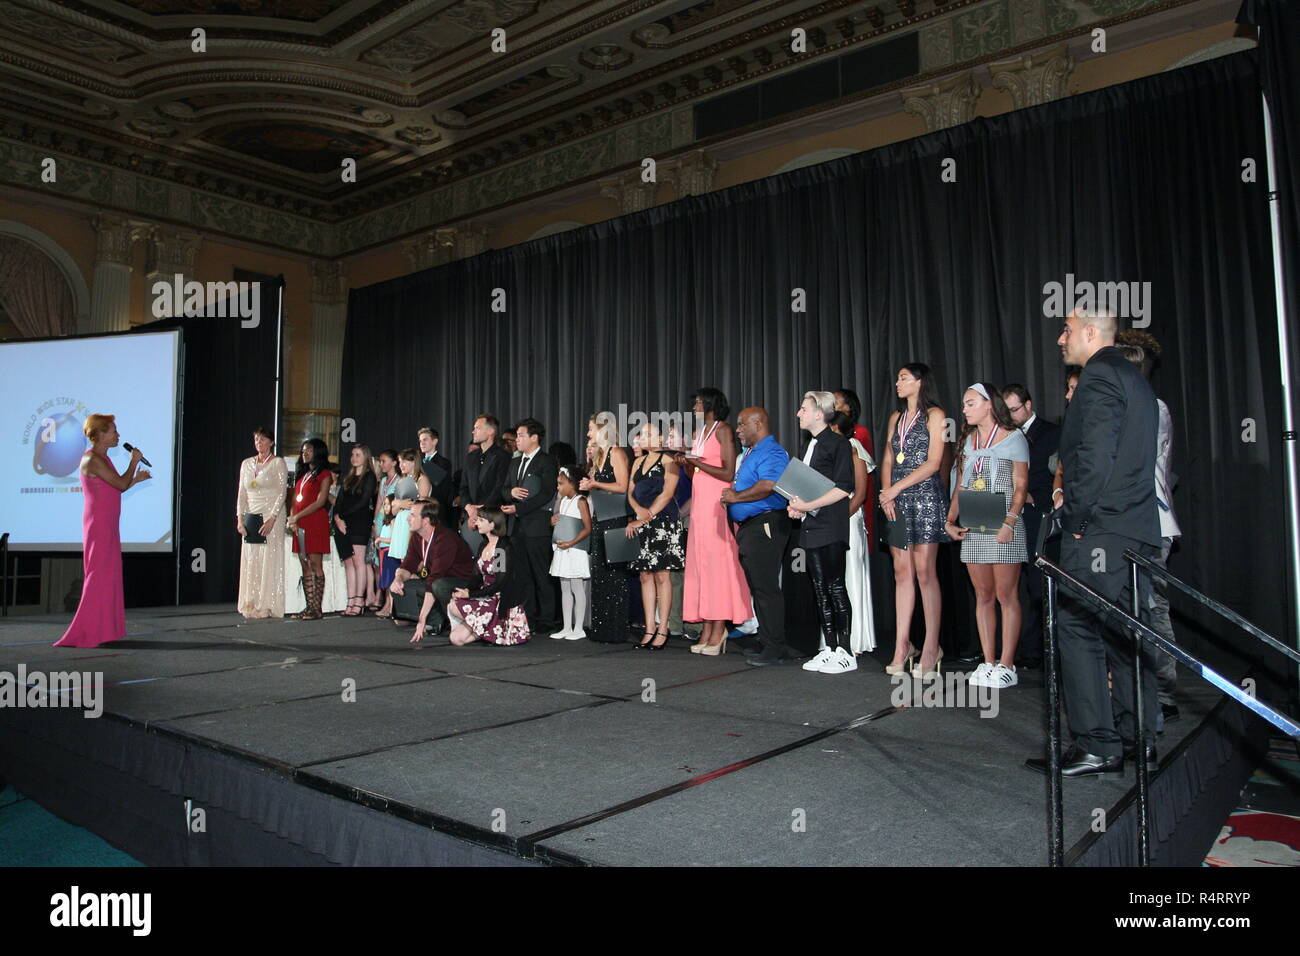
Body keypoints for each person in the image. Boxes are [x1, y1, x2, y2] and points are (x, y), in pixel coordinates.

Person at [1025, 308, 1162, 778]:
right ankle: (1138, 739)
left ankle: (1097, 745)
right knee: (1127, 633)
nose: (1060, 340)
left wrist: (1078, 517)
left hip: (1101, 527)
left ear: (1089, 332)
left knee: (1077, 625)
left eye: (1066, 330)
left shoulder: (1099, 375)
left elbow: (1094, 456)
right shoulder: (1135, 378)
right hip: (1135, 526)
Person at [1116, 334, 1183, 726]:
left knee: (1152, 608)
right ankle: (1130, 692)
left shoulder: (1153, 408)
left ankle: (1162, 693)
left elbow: (1130, 458)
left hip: (1150, 524)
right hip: (1122, 523)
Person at [944, 384, 1029, 689]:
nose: (964, 409)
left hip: (1004, 519)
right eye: (964, 404)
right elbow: (962, 485)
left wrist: (1010, 521)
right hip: (975, 517)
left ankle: (1007, 664)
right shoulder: (969, 441)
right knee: (982, 595)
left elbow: (1021, 485)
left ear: (988, 405)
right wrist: (949, 520)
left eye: (970, 404)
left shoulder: (1014, 437)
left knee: (1006, 595)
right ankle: (989, 661)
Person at [53, 414, 150, 648]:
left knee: (107, 575)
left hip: (107, 523)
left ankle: (103, 629)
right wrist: (134, 462)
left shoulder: (103, 459)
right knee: (98, 575)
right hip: (98, 525)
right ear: (100, 434)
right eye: (113, 431)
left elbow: (116, 487)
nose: (118, 435)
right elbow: (119, 484)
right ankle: (86, 631)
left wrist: (134, 480)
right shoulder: (92, 459)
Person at [879, 363, 949, 677]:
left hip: (925, 497)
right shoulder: (896, 417)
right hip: (896, 500)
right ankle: (902, 645)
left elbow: (934, 462)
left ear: (920, 382)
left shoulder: (936, 415)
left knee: (924, 572)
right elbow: (888, 458)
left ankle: (932, 646)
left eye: (904, 378)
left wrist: (895, 489)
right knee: (901, 571)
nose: (898, 382)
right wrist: (886, 493)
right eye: (898, 378)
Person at [720, 406, 795, 666]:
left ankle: (775, 648)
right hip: (752, 527)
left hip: (766, 524)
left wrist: (736, 496)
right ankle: (767, 641)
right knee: (759, 587)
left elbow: (769, 485)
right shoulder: (752, 452)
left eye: (742, 424)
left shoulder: (772, 451)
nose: (737, 430)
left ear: (758, 424)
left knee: (766, 588)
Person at [679, 388, 751, 654]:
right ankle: (708, 628)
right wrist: (686, 463)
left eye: (699, 402)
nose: (695, 407)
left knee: (717, 567)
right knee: (702, 566)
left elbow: (728, 472)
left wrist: (697, 462)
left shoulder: (723, 430)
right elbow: (695, 472)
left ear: (711, 404)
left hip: (716, 504)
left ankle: (719, 629)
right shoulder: (699, 432)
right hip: (700, 505)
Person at [789, 392, 856, 674]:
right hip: (812, 525)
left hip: (831, 524)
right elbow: (806, 485)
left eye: (803, 409)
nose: (798, 413)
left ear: (819, 414)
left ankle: (846, 650)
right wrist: (797, 507)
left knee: (835, 585)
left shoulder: (838, 443)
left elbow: (844, 487)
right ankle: (829, 647)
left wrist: (807, 506)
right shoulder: (810, 445)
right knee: (819, 587)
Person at [1002, 384, 1060, 669]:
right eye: (1006, 411)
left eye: (1014, 410)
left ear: (1028, 405)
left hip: (1039, 514)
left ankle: (1045, 650)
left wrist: (1036, 496)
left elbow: (1059, 475)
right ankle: (1020, 650)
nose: (1011, 416)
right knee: (1010, 585)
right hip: (1010, 515)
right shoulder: (1004, 435)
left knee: (1039, 586)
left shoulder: (1052, 433)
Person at [626, 423, 685, 650]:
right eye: (642, 434)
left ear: (661, 439)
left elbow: (667, 493)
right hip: (642, 520)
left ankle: (663, 628)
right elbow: (630, 492)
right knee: (644, 575)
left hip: (663, 522)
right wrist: (638, 511)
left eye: (649, 434)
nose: (643, 437)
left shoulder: (669, 460)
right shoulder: (638, 462)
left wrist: (647, 515)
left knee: (662, 575)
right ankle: (649, 627)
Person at [391, 498, 476, 643]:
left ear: (426, 520)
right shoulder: (417, 537)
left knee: (438, 586)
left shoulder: (445, 539)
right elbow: (407, 565)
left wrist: (421, 619)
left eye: (412, 515)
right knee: (403, 586)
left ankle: (454, 618)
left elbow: (434, 579)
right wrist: (398, 579)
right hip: (439, 581)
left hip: (463, 583)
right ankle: (437, 621)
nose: (408, 518)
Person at [501, 418, 559, 630]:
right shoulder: (515, 462)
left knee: (541, 574)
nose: (517, 439)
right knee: (523, 575)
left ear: (534, 438)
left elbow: (547, 493)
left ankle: (547, 620)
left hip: (537, 526)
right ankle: (529, 617)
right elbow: (504, 489)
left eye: (521, 435)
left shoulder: (546, 461)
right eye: (517, 435)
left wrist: (520, 508)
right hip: (516, 527)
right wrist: (511, 493)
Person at [579, 412, 632, 643]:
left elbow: (622, 486)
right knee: (600, 574)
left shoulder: (616, 452)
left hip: (616, 518)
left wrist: (595, 483)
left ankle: (616, 629)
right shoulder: (599, 456)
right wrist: (590, 482)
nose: (588, 433)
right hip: (600, 517)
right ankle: (602, 627)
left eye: (591, 429)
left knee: (615, 576)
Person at [829, 410, 877, 655]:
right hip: (830, 521)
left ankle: (855, 639)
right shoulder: (827, 451)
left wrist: (838, 518)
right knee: (832, 579)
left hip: (848, 519)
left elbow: (859, 495)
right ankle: (833, 639)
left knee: (851, 576)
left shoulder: (854, 449)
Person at [449, 508, 531, 646]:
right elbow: (476, 576)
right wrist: (466, 590)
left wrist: (470, 594)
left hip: (498, 599)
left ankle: (490, 628)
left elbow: (499, 584)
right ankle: (485, 630)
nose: (477, 523)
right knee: (456, 639)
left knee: (454, 606)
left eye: (481, 520)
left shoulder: (501, 548)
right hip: (485, 594)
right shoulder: (484, 544)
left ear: (492, 524)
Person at [235, 426, 288, 620]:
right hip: (252, 515)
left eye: (263, 439)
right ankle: (251, 602)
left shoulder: (278, 463)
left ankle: (266, 604)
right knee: (252, 558)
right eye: (257, 439)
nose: (259, 443)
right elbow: (242, 493)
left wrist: (272, 518)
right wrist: (240, 519)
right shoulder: (246, 464)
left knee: (268, 558)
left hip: (271, 515)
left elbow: (282, 492)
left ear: (271, 442)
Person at [286, 438, 333, 620]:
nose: (304, 453)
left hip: (315, 522)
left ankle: (317, 609)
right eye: (303, 450)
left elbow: (321, 502)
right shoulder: (303, 474)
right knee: (304, 565)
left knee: (315, 564)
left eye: (309, 450)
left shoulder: (325, 474)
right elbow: (294, 500)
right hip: (300, 523)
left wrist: (296, 517)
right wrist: (293, 518)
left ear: (318, 452)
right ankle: (309, 607)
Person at [332, 444, 378, 616]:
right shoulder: (348, 477)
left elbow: (363, 501)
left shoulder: (369, 476)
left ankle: (359, 600)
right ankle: (350, 600)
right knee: (348, 563)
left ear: (365, 457)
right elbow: (339, 501)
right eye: (352, 454)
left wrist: (342, 515)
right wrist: (337, 517)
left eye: (358, 454)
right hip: (342, 523)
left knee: (359, 563)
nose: (354, 458)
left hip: (359, 523)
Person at [549, 465, 592, 639]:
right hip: (563, 549)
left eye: (561, 484)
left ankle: (579, 628)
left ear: (572, 483)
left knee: (577, 587)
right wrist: (554, 521)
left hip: (575, 549)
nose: (558, 487)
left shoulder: (581, 501)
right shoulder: (563, 501)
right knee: (565, 588)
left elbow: (587, 528)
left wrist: (571, 543)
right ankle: (567, 626)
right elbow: (562, 523)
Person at [835, 388, 878, 549]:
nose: (831, 406)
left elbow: (860, 474)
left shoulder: (858, 434)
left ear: (849, 407)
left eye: (835, 403)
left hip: (855, 496)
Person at [459, 414, 511, 531]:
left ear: (490, 431)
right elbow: (463, 487)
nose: (473, 431)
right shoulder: (470, 457)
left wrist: (479, 512)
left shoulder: (503, 457)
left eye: (477, 428)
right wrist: (469, 507)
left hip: (492, 519)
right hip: (471, 518)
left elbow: (500, 488)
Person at [418, 427, 455, 526]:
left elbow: (443, 490)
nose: (422, 443)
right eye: (420, 441)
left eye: (425, 440)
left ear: (434, 441)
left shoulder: (444, 463)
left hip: (435, 511)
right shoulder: (418, 463)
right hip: (418, 510)